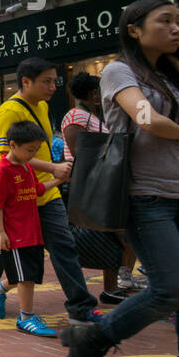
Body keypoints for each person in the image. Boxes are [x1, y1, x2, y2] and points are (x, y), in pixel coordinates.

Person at [62, 0, 179, 357]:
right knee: (172, 289)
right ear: (134, 29)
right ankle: (95, 337)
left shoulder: (172, 73)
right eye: (165, 21)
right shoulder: (119, 72)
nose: (177, 28)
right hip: (144, 197)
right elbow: (147, 119)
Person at [0, 57, 102, 329]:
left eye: (54, 80)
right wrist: (53, 167)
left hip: (45, 192)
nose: (53, 86)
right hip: (12, 196)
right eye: (46, 81)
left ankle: (81, 307)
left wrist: (52, 174)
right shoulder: (7, 113)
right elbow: (5, 157)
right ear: (26, 82)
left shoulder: (44, 107)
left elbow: (37, 148)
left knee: (63, 247)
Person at [60, 71, 137, 303]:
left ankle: (113, 286)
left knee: (114, 234)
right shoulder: (76, 116)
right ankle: (112, 284)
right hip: (87, 186)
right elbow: (78, 152)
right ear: (95, 93)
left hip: (101, 183)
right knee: (114, 233)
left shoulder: (94, 117)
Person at [0, 121, 66, 333]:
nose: (33, 154)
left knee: (28, 273)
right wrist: (0, 232)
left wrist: (58, 181)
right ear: (13, 145)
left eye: (35, 150)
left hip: (32, 230)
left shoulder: (26, 165)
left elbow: (37, 189)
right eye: (30, 150)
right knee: (26, 276)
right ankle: (26, 317)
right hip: (15, 233)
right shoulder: (3, 170)